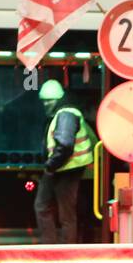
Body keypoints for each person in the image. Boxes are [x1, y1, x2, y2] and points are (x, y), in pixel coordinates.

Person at [34, 79, 96, 244]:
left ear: (59, 98)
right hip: (64, 167)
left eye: (50, 100)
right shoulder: (64, 113)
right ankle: (54, 247)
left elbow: (65, 145)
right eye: (44, 101)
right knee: (50, 208)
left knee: (61, 212)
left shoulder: (65, 114)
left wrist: (50, 166)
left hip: (65, 168)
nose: (46, 104)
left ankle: (59, 250)